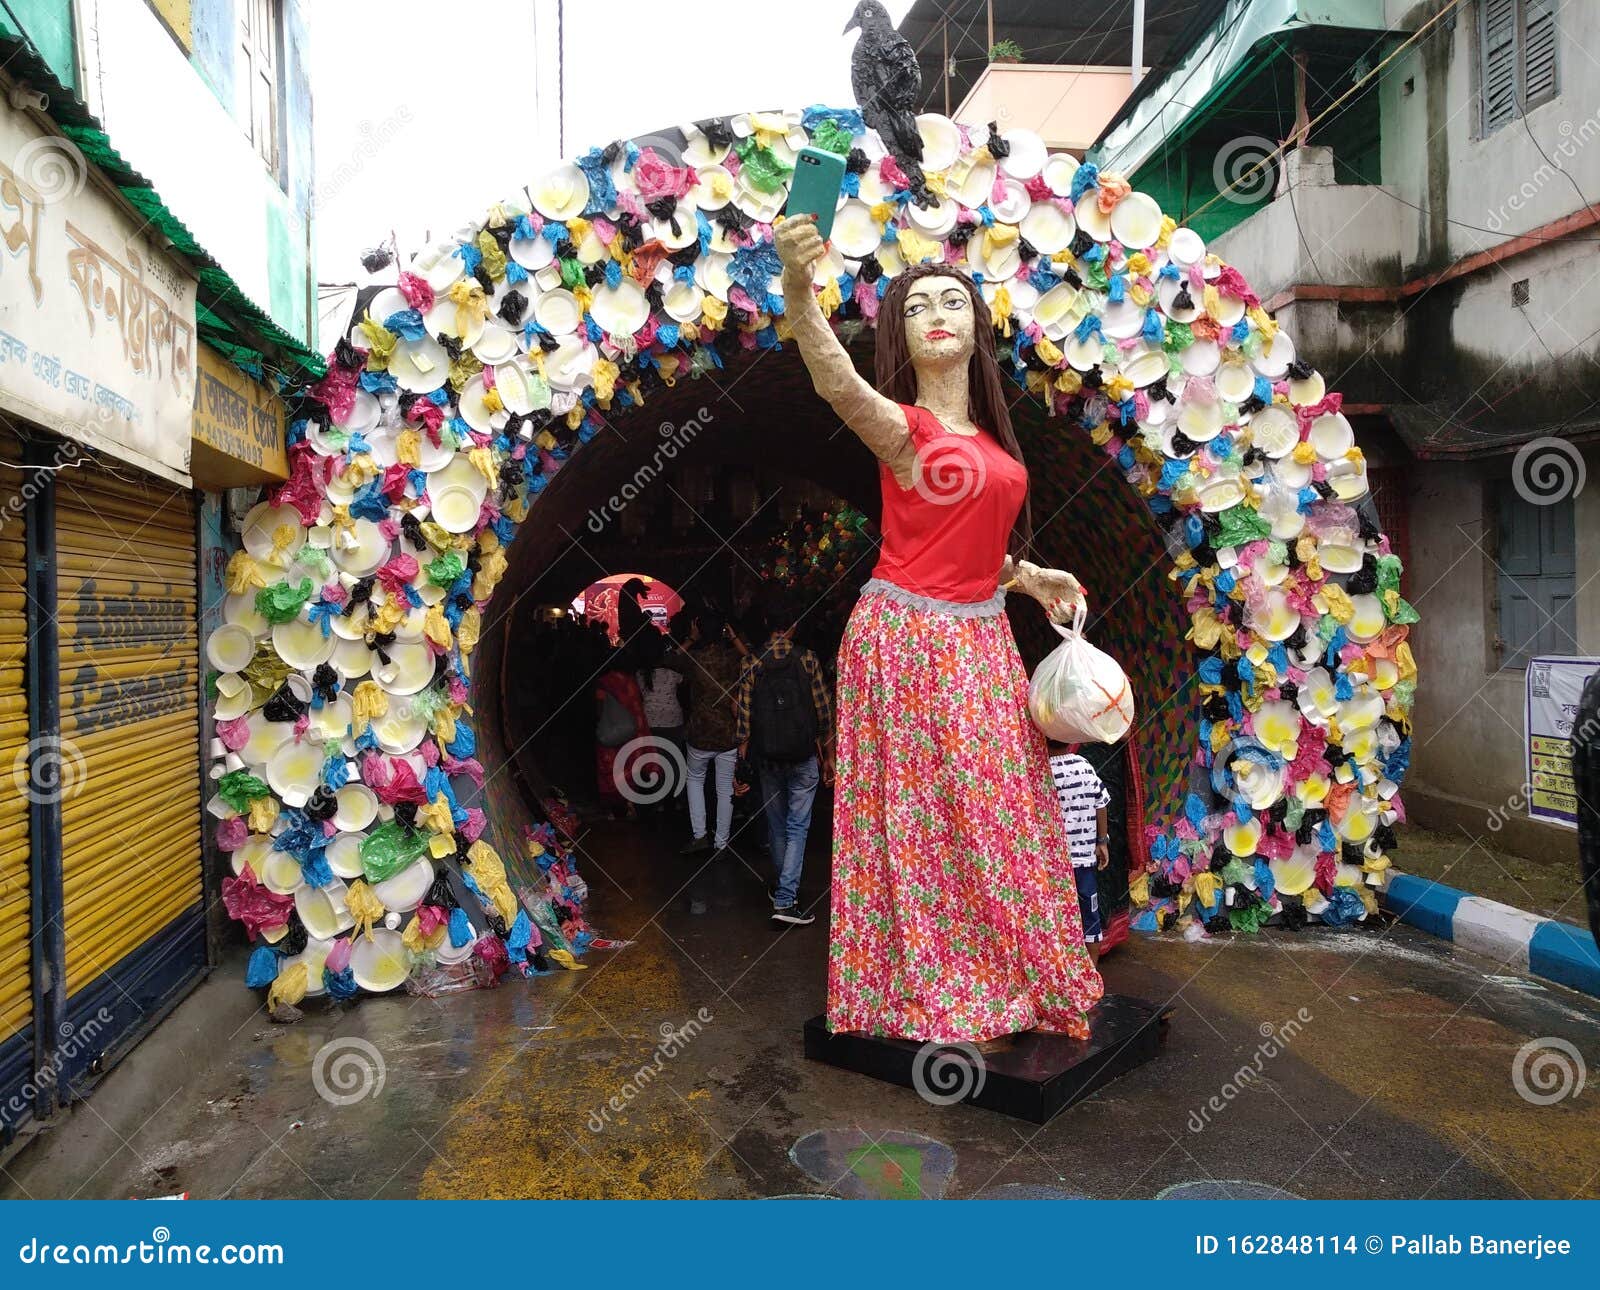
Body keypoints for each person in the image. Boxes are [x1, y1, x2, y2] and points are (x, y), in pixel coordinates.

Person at [775, 210, 1103, 1043]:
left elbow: (970, 548)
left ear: (977, 328)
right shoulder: (904, 427)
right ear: (902, 334)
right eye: (917, 306)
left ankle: (1011, 973)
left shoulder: (992, 440)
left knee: (1000, 809)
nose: (936, 315)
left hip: (983, 634)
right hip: (908, 638)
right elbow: (831, 378)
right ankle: (927, 980)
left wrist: (1029, 578)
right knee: (924, 816)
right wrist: (796, 286)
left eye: (951, 300)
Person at [736, 589, 834, 926]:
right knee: (798, 828)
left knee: (777, 826)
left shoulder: (751, 662)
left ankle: (782, 887)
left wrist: (741, 762)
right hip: (803, 756)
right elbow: (823, 712)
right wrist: (829, 754)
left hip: (767, 758)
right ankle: (786, 899)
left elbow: (743, 721)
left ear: (766, 623)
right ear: (794, 625)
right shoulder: (807, 659)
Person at [677, 605, 745, 858]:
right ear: (723, 631)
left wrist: (691, 638)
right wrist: (734, 636)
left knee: (694, 781)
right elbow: (753, 659)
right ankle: (722, 843)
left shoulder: (694, 658)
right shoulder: (731, 657)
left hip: (699, 732)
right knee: (725, 787)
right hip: (727, 732)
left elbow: (670, 659)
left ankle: (699, 836)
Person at [1048, 743, 1112, 962]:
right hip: (1084, 861)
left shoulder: (1041, 772)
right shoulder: (1084, 765)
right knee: (1089, 919)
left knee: (1055, 919)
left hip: (1054, 864)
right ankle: (1092, 974)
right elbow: (1101, 803)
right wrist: (1101, 841)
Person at [635, 634, 687, 809]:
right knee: (674, 759)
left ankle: (658, 801)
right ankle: (676, 798)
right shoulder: (673, 674)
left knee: (654, 761)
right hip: (673, 720)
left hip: (650, 720)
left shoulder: (640, 675)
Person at [594, 656, 649, 819]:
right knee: (631, 767)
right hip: (634, 730)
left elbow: (599, 708)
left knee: (611, 768)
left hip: (611, 730)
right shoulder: (632, 682)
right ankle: (631, 804)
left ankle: (616, 809)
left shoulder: (603, 682)